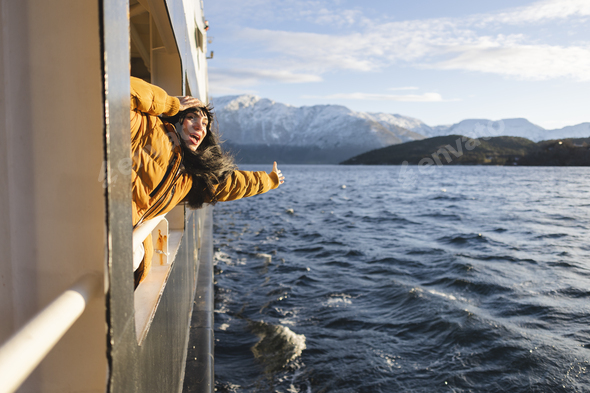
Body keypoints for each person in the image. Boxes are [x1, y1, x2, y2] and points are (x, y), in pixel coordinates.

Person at [130, 76, 284, 285]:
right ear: (177, 118)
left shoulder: (190, 175)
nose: (200, 128)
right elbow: (117, 90)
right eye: (192, 117)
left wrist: (270, 180)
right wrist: (170, 103)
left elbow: (234, 183)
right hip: (94, 225)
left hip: (122, 252)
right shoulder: (147, 128)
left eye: (205, 124)